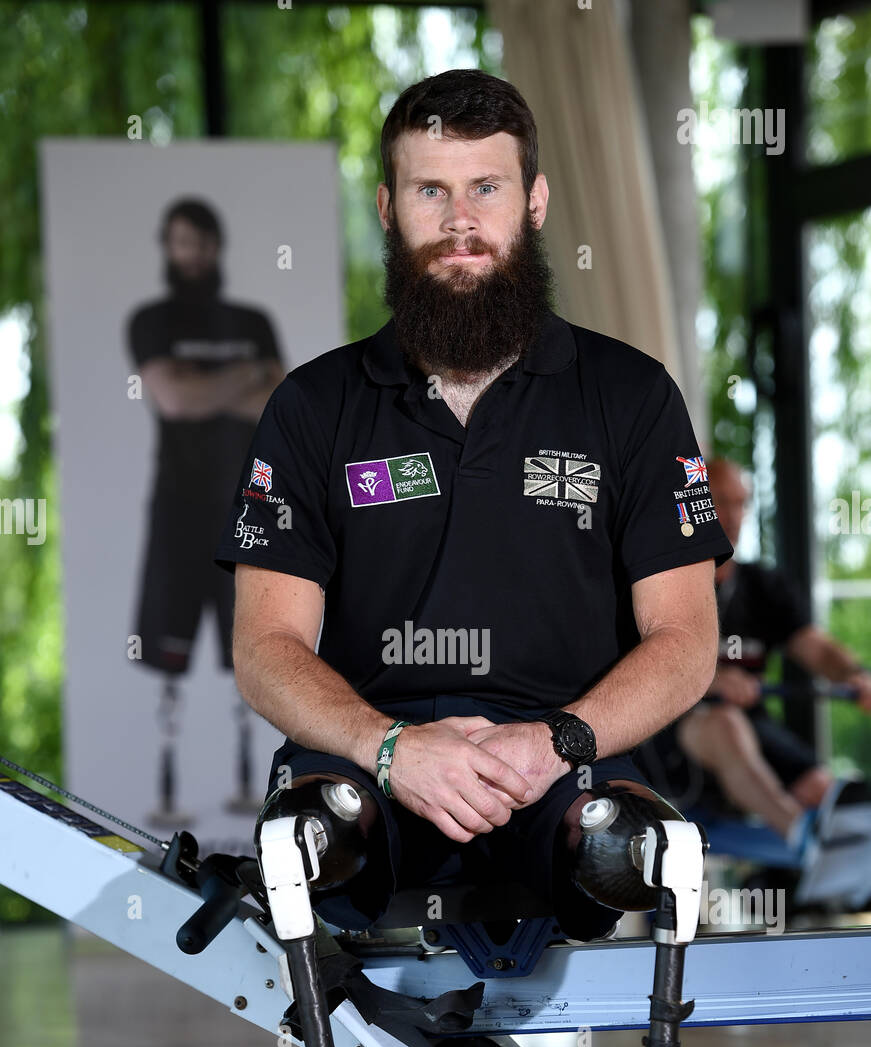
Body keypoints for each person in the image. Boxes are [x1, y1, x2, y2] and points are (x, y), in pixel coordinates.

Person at [213, 69, 731, 939]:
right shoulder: (313, 404)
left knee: (631, 850)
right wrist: (392, 748)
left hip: (566, 753)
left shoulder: (629, 394)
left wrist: (554, 743)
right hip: (366, 757)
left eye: (485, 188)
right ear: (387, 206)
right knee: (309, 839)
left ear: (532, 201)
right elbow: (265, 645)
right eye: (430, 191)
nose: (460, 221)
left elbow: (686, 641)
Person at [636, 455, 871, 848]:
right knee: (726, 723)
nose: (734, 515)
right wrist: (711, 679)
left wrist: (854, 674)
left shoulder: (763, 587)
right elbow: (637, 661)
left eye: (742, 503)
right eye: (720, 501)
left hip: (752, 731)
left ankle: (834, 873)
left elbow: (815, 647)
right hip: (672, 739)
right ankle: (805, 841)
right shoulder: (659, 580)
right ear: (690, 505)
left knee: (819, 786)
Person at [128, 198, 286, 675]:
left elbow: (278, 406)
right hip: (178, 510)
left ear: (217, 246)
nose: (192, 252)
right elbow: (173, 399)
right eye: (182, 242)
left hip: (249, 509)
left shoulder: (253, 321)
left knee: (253, 662)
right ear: (167, 247)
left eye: (201, 241)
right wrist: (248, 373)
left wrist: (199, 385)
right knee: (165, 669)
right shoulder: (151, 320)